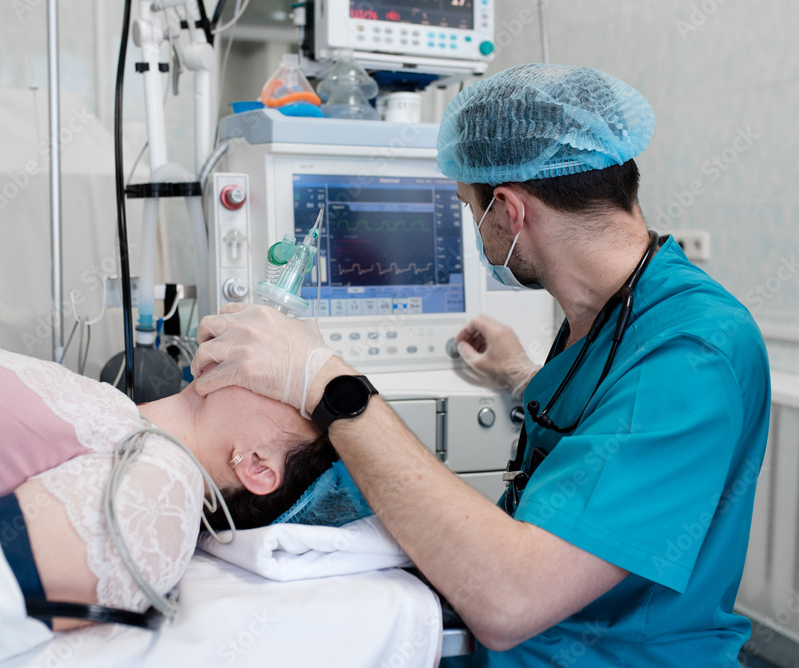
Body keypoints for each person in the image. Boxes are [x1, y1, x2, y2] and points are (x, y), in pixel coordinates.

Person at [189, 64, 771, 666]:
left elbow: (510, 601)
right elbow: (607, 429)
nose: (476, 232)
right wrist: (520, 378)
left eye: (470, 211)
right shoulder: (610, 307)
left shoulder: (693, 354)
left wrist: (328, 383)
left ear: (510, 211)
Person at [0, 337, 334, 653]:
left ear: (260, 466)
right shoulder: (118, 414)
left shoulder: (157, 493)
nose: (277, 355)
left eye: (299, 387)